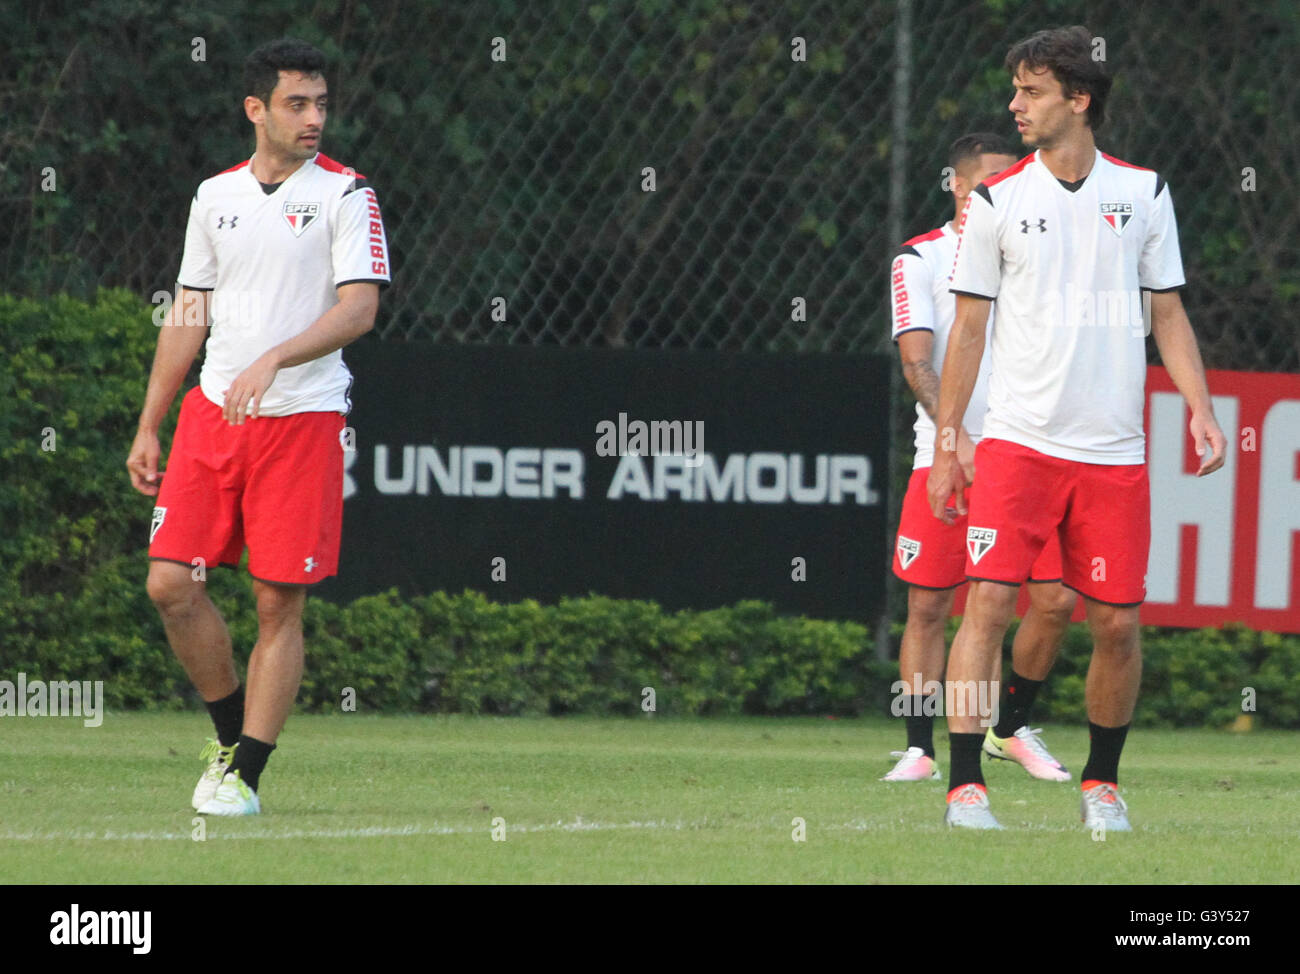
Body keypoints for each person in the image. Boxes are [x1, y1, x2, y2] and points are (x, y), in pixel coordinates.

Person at [930, 26, 1226, 830]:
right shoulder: (997, 200)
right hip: (1021, 444)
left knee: (1118, 623)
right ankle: (965, 786)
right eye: (1016, 91)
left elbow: (1166, 311)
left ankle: (1102, 786)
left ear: (1078, 99)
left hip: (1113, 453)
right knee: (988, 603)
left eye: (1031, 91)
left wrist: (1200, 405)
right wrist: (953, 442)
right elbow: (966, 331)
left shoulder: (1144, 193)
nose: (1015, 106)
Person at [125, 38, 391, 816]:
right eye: (296, 104)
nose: (315, 118)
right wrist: (151, 421)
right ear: (256, 110)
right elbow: (190, 311)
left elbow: (360, 308)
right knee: (171, 583)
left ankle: (244, 776)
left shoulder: (346, 195)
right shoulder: (215, 196)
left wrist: (275, 357)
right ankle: (229, 735)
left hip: (302, 419)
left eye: (321, 103)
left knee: (278, 603)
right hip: (212, 417)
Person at [885, 132, 1075, 785]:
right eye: (994, 179)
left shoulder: (1038, 259)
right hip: (943, 452)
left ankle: (1007, 728)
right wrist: (952, 437)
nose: (1011, 189)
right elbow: (917, 360)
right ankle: (920, 747)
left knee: (1049, 602)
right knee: (931, 604)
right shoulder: (922, 258)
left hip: (1028, 455)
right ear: (960, 186)